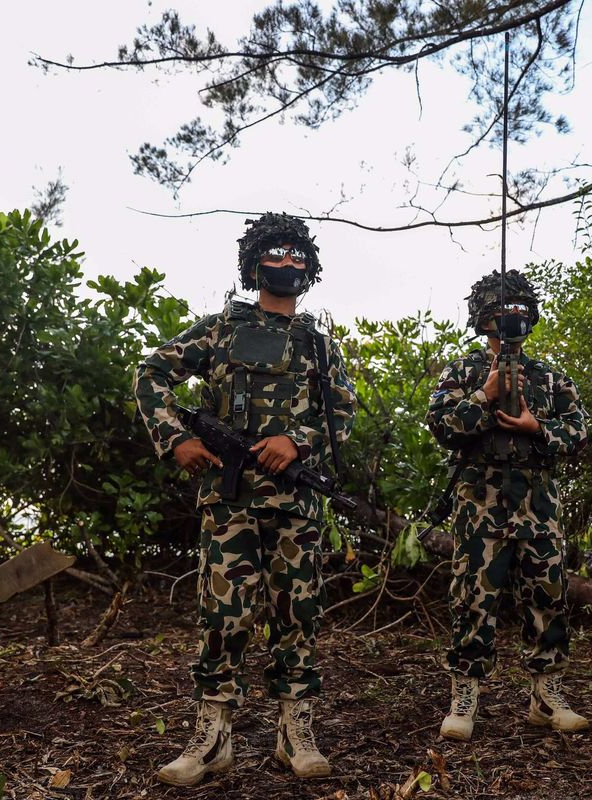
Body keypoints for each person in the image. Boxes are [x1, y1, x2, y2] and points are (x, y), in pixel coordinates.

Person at [133, 212, 356, 785]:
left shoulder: (318, 345)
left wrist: (297, 442)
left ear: (310, 267)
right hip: (228, 500)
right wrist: (176, 440)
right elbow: (152, 374)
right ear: (254, 264)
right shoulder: (219, 330)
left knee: (298, 615)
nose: (287, 262)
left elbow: (341, 413)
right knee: (223, 616)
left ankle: (295, 733)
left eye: (297, 254)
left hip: (295, 505)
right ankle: (212, 740)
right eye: (275, 253)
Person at [425, 269, 589, 742]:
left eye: (520, 306)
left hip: (538, 502)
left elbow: (578, 431)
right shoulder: (464, 371)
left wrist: (539, 429)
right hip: (480, 501)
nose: (513, 315)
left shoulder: (550, 376)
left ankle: (546, 695)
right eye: (503, 307)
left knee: (548, 595)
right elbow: (441, 426)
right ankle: (465, 696)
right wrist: (486, 395)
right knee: (473, 598)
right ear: (483, 318)